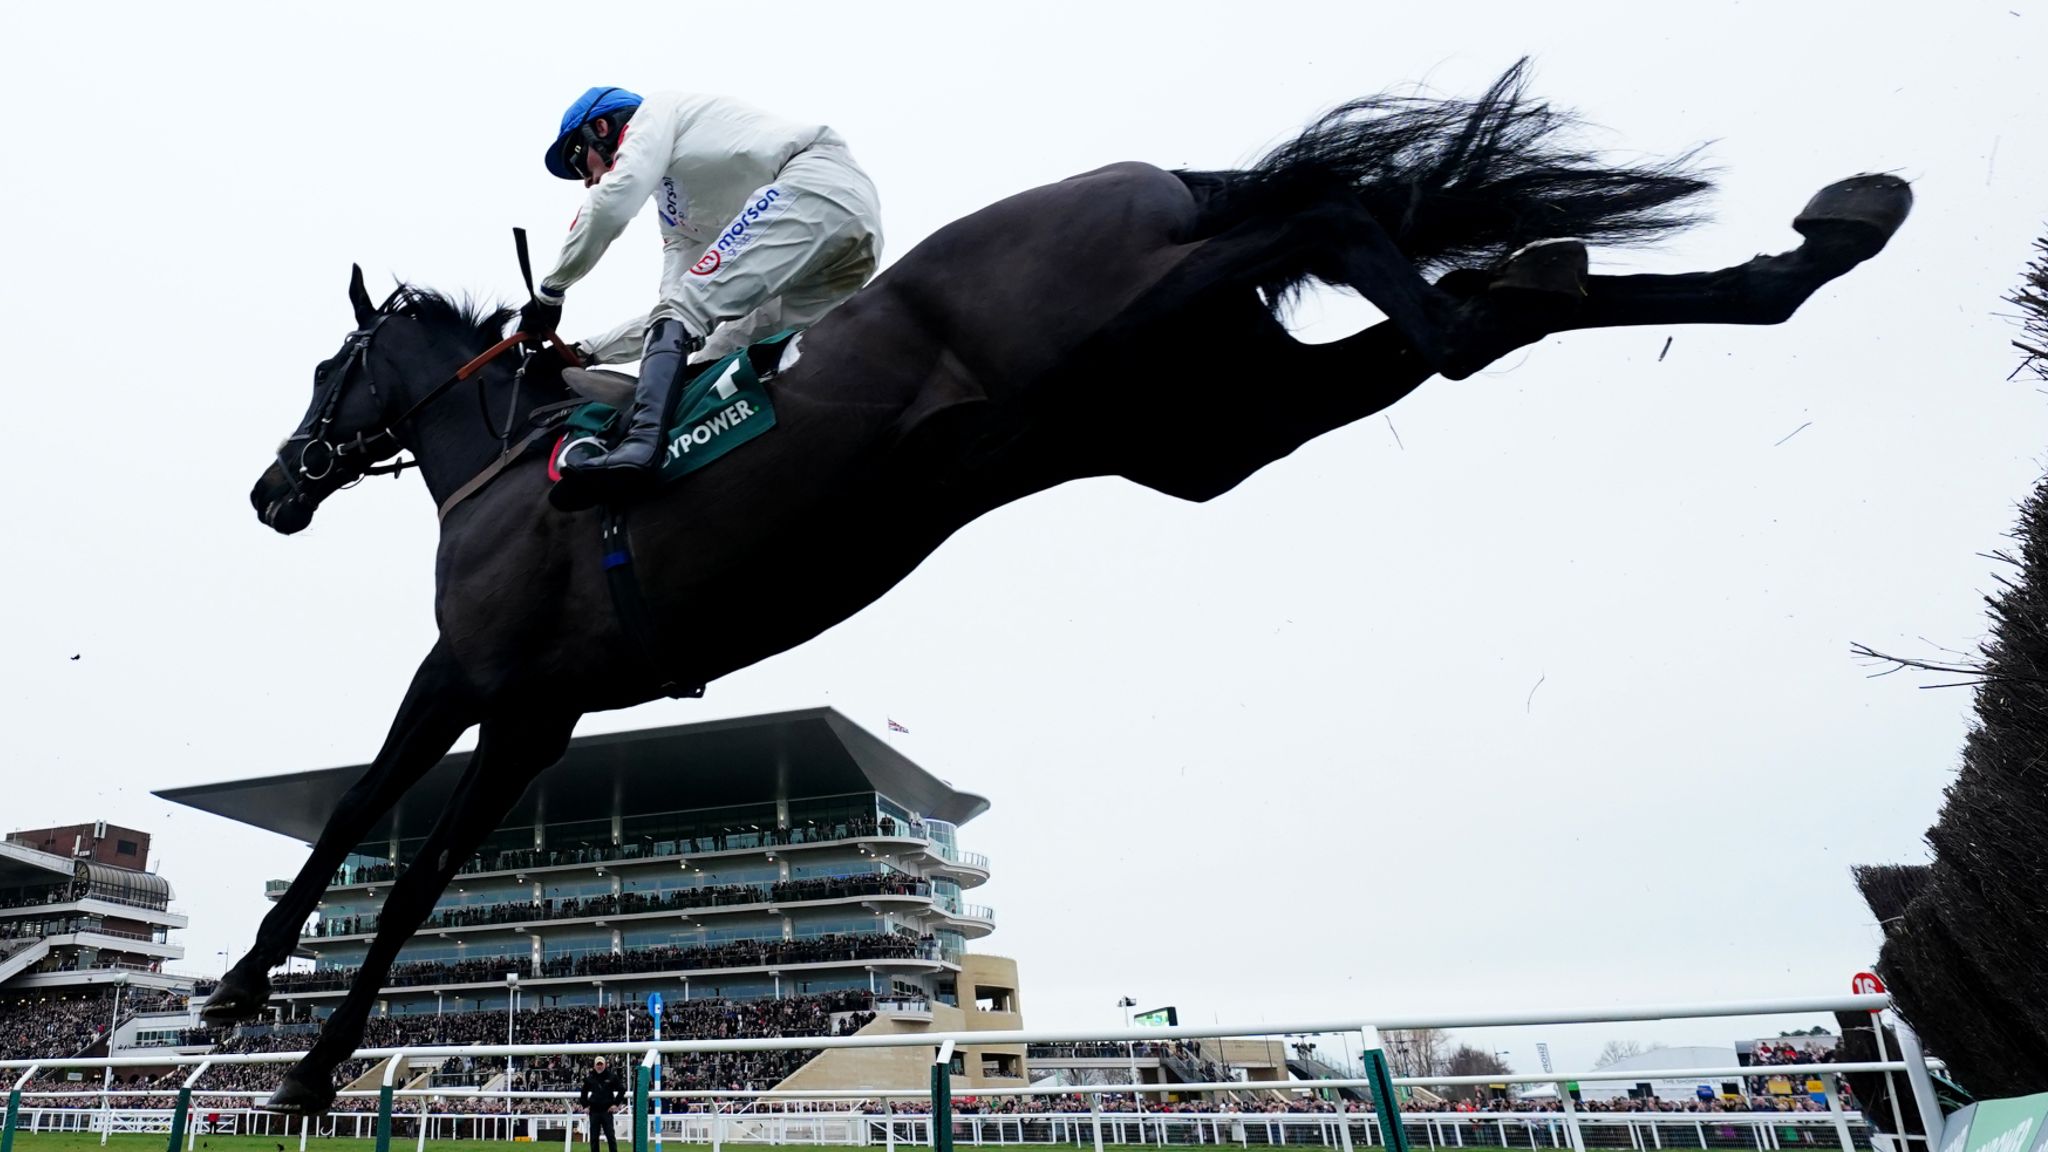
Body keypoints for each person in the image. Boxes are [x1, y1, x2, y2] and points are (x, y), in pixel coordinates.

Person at [523, 86, 885, 508]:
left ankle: (641, 447)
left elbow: (612, 203)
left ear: (602, 128)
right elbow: (672, 313)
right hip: (839, 244)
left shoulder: (654, 114)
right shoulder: (676, 215)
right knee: (708, 353)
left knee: (684, 315)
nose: (586, 181)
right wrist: (587, 351)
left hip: (813, 183)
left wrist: (550, 293)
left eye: (577, 160)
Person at [578, 1055, 625, 1152]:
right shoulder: (590, 1078)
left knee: (610, 1137)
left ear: (605, 1065)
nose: (599, 1066)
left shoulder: (612, 1077)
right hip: (594, 1111)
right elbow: (583, 1093)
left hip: (607, 1111)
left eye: (601, 1064)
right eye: (597, 1064)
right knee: (594, 1138)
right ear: (594, 1066)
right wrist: (585, 1105)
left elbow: (622, 1090)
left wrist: (615, 1104)